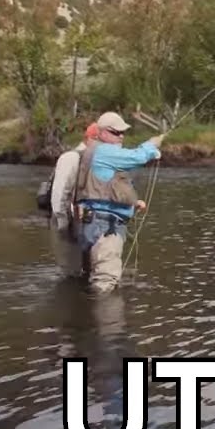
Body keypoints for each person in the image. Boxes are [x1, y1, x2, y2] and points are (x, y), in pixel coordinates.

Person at [72, 112, 163, 294]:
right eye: (116, 132)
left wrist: (132, 203)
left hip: (92, 223)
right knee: (106, 283)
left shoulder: (92, 151)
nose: (121, 136)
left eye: (123, 132)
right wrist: (152, 144)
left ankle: (83, 310)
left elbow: (103, 186)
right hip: (105, 227)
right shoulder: (105, 151)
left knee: (91, 277)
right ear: (101, 132)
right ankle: (105, 312)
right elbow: (138, 157)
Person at [48, 122, 100, 279]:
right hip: (68, 221)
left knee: (86, 272)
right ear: (90, 139)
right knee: (71, 273)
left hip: (85, 222)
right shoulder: (71, 158)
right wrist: (63, 224)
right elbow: (59, 194)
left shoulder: (94, 159)